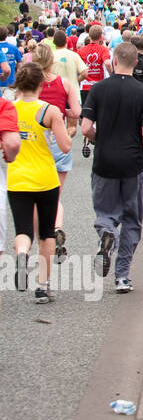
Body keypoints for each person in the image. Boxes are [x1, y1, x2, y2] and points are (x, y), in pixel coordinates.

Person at [82, 42, 143, 293]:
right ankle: (122, 276)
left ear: (113, 62)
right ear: (136, 63)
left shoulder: (98, 90)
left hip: (104, 160)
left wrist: (98, 138)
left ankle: (107, 233)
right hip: (133, 163)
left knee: (105, 211)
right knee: (132, 219)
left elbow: (85, 128)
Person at [8, 63, 72, 302]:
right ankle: (42, 286)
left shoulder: (8, 110)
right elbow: (65, 146)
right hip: (46, 178)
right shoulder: (50, 111)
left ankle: (22, 253)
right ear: (40, 84)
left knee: (23, 230)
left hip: (17, 178)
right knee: (46, 233)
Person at [32, 43, 80, 262]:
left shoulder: (32, 85)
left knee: (34, 195)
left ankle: (43, 236)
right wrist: (63, 111)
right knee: (56, 193)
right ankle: (57, 227)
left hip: (35, 140)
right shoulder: (64, 83)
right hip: (58, 137)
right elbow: (77, 112)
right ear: (52, 60)